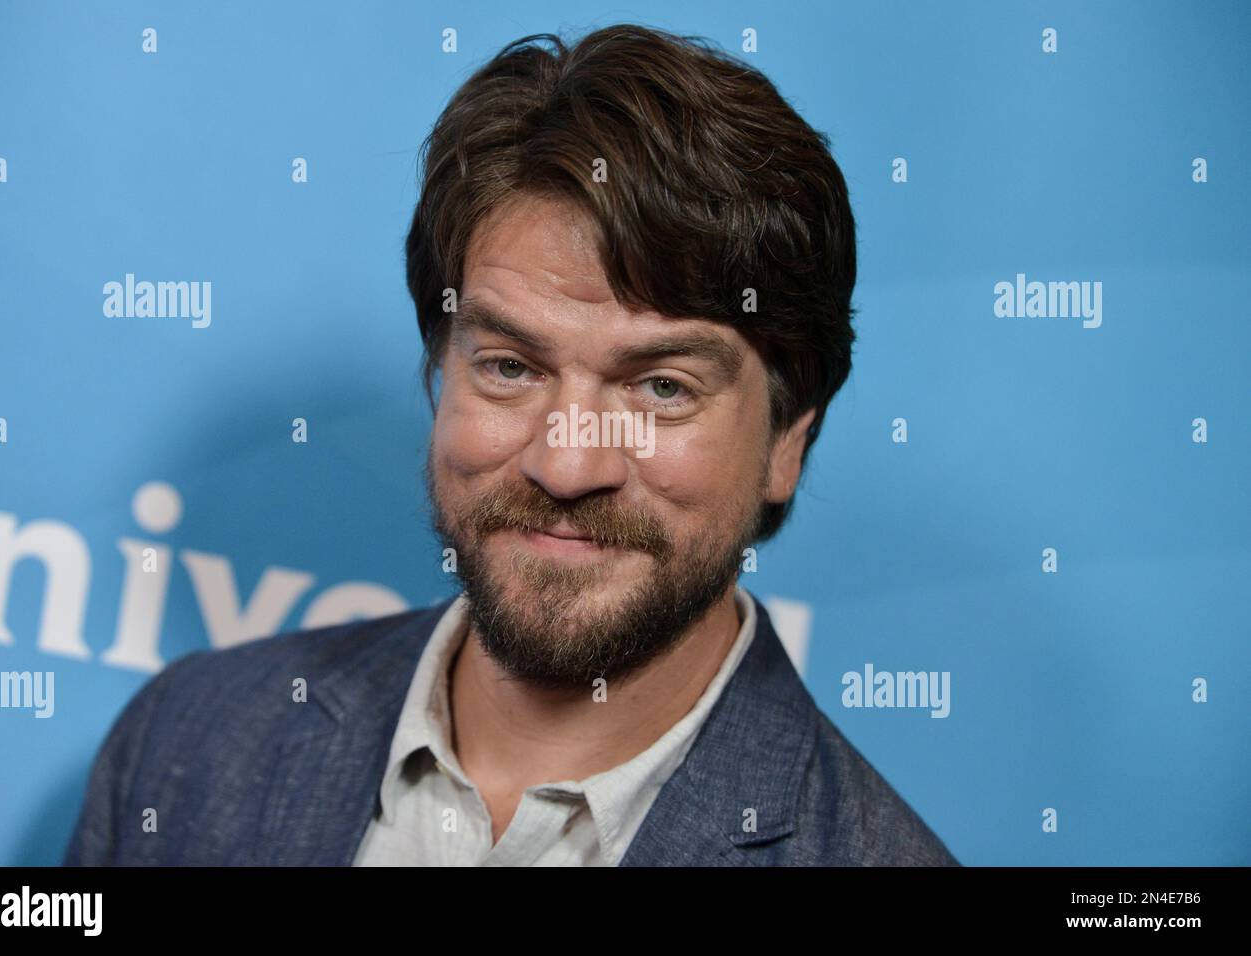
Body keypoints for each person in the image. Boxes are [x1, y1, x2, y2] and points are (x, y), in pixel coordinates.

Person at [63, 24, 959, 867]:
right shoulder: (183, 746)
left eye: (662, 388)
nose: (566, 466)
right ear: (438, 374)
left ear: (787, 444)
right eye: (510, 367)